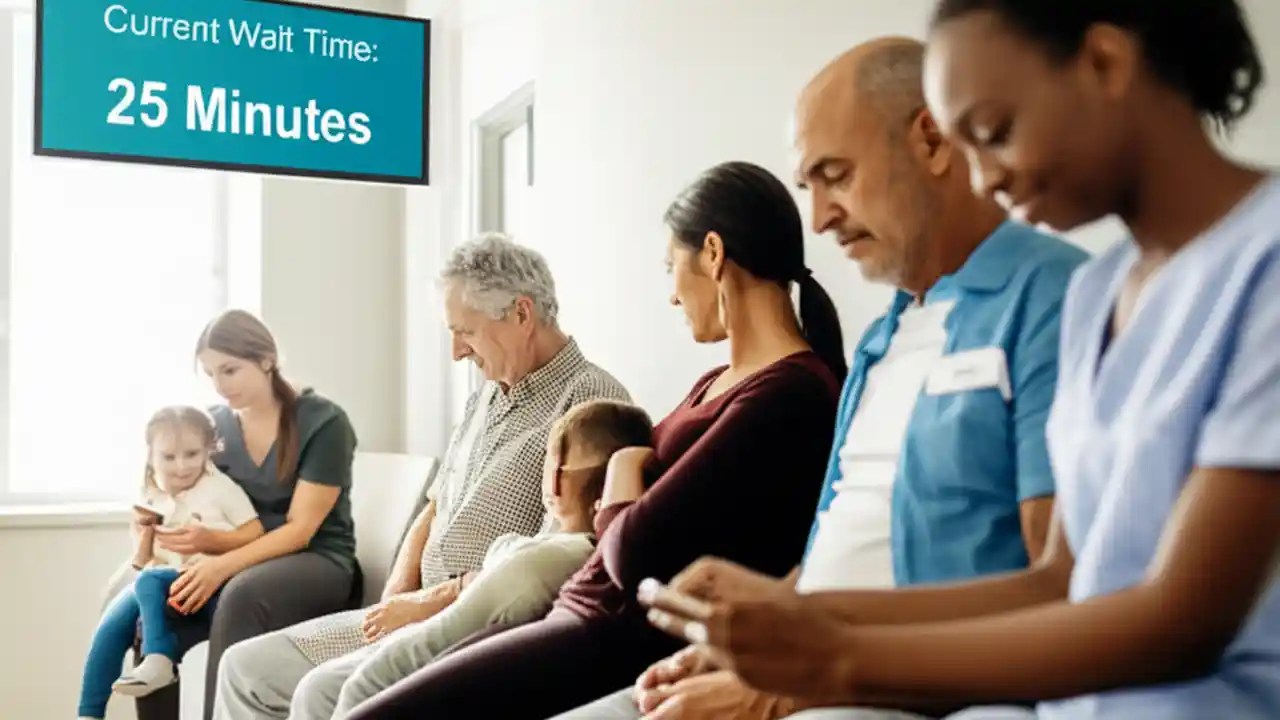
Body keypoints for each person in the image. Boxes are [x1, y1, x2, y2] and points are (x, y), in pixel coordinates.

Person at [642, 2, 1280, 719]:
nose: (977, 176)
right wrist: (795, 617)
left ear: (1105, 64)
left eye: (992, 132)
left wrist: (833, 663)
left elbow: (1183, 623)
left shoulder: (1263, 264)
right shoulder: (1100, 293)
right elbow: (1058, 579)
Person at [556, 37, 1088, 720]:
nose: (819, 218)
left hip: (903, 688)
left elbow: (1060, 593)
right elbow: (843, 547)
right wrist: (754, 628)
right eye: (809, 186)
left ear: (929, 140)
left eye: (835, 175)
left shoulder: (1054, 298)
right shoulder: (879, 344)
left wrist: (790, 682)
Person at [343, 160, 845, 720]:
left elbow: (632, 553)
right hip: (579, 607)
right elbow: (614, 524)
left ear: (711, 253)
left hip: (616, 630)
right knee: (376, 694)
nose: (674, 298)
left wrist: (626, 467)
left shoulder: (787, 395)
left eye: (669, 266)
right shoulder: (715, 383)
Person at [213, 233, 630, 719]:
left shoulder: (592, 403)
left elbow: (552, 561)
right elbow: (434, 505)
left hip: (474, 622)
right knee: (244, 668)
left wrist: (423, 609)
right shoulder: (487, 392)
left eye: (466, 333)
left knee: (320, 692)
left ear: (521, 315)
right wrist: (393, 603)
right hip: (412, 610)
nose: (456, 352)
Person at [283, 399, 654, 719]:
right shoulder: (558, 553)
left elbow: (440, 638)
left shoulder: (544, 561)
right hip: (420, 634)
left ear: (555, 476)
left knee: (320, 689)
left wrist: (363, 689)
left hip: (410, 670)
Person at [133, 309, 360, 720]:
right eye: (210, 374)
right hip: (242, 559)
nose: (219, 386)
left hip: (317, 562)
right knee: (153, 609)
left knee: (240, 594)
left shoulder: (323, 422)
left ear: (267, 360)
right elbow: (181, 496)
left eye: (229, 370)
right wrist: (176, 536)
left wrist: (220, 567)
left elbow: (301, 531)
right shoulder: (212, 428)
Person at [78, 407, 263, 720]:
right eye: (169, 457)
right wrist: (143, 537)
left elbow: (256, 531)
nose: (182, 466)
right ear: (151, 456)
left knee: (148, 583)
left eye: (192, 454)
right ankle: (88, 714)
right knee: (110, 624)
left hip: (205, 579)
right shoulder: (149, 496)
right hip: (157, 579)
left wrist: (212, 541)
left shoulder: (219, 489)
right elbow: (143, 562)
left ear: (208, 450)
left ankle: (159, 657)